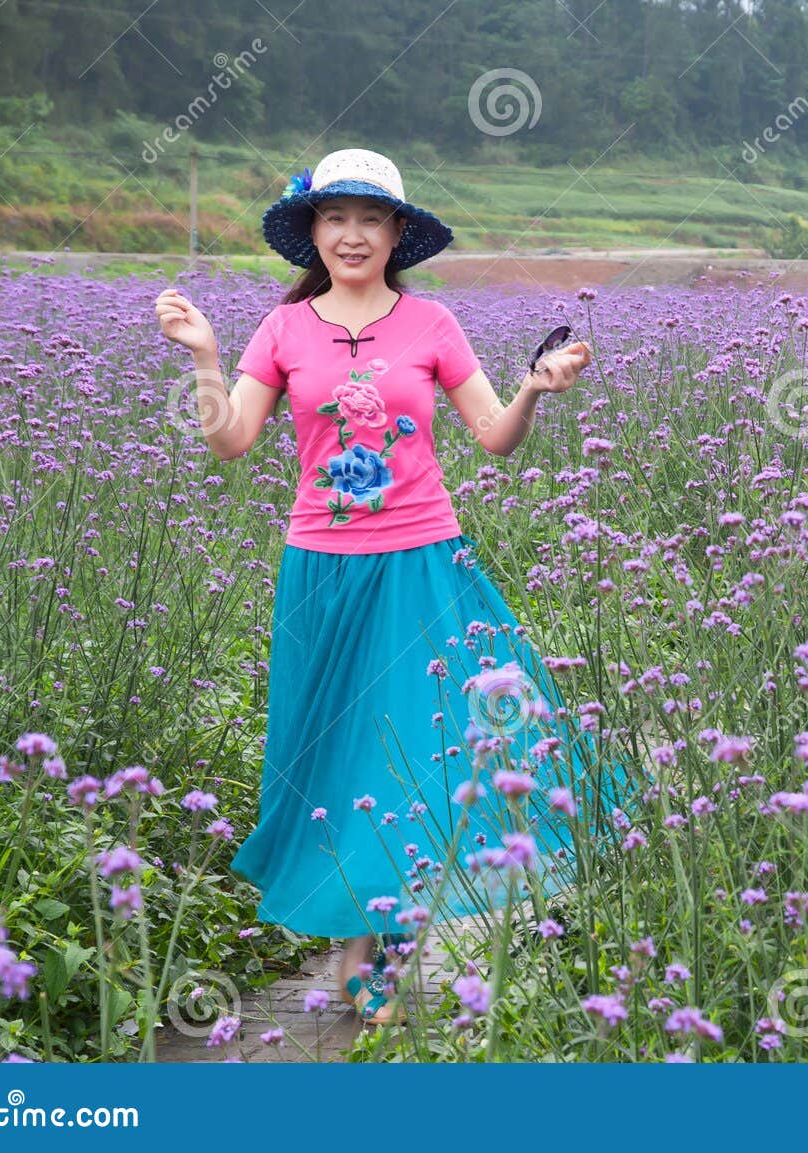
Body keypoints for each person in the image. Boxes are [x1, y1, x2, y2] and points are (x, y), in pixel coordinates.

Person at [155, 148, 633, 1027]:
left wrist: (534, 384)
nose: (350, 235)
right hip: (322, 570)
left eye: (370, 219)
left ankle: (429, 914)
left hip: (422, 562)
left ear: (397, 234)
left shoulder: (434, 324)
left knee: (432, 738)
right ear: (311, 232)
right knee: (331, 754)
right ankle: (356, 958)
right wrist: (206, 356)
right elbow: (230, 441)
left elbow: (493, 436)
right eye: (334, 218)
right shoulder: (282, 329)